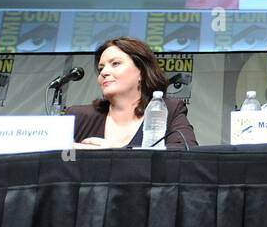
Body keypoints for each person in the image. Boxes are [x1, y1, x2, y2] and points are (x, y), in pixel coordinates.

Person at [65, 37, 197, 148]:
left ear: (141, 72)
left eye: (115, 64)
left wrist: (118, 150)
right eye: (101, 68)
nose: (104, 72)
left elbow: (187, 155)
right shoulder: (78, 116)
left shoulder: (170, 110)